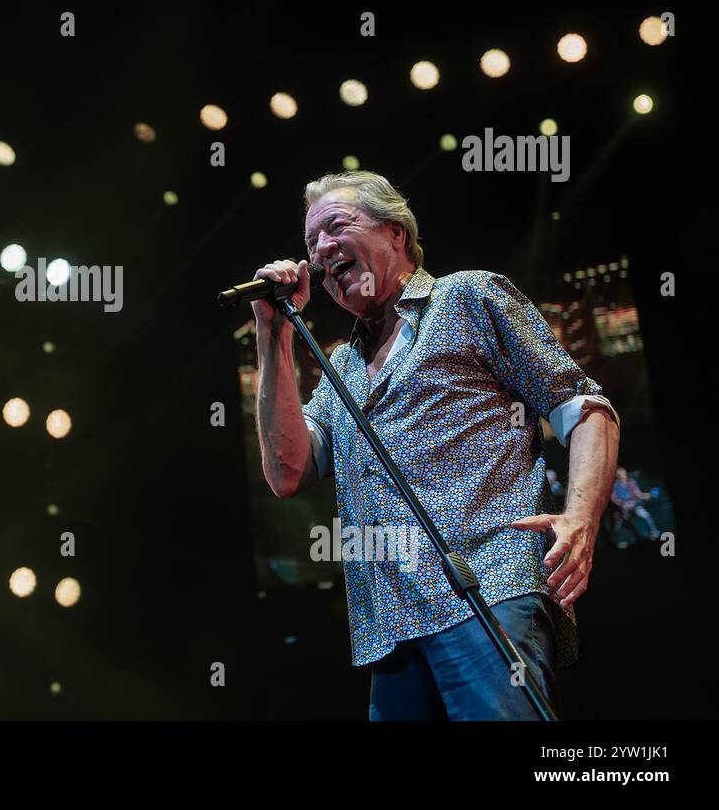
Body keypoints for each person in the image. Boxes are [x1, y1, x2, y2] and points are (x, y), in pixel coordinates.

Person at [252, 171, 620, 720]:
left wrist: (581, 518)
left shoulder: (466, 297)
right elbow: (287, 472)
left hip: (487, 590)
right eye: (311, 242)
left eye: (336, 227)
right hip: (391, 630)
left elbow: (587, 409)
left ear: (396, 233)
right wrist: (273, 331)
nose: (321, 249)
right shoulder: (340, 368)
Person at [611, 467, 660, 541]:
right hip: (623, 508)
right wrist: (621, 504)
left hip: (635, 505)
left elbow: (638, 494)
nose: (622, 476)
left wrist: (648, 495)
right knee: (621, 523)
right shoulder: (615, 485)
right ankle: (615, 536)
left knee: (646, 515)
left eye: (623, 474)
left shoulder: (631, 482)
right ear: (617, 475)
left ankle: (654, 531)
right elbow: (613, 498)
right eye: (620, 474)